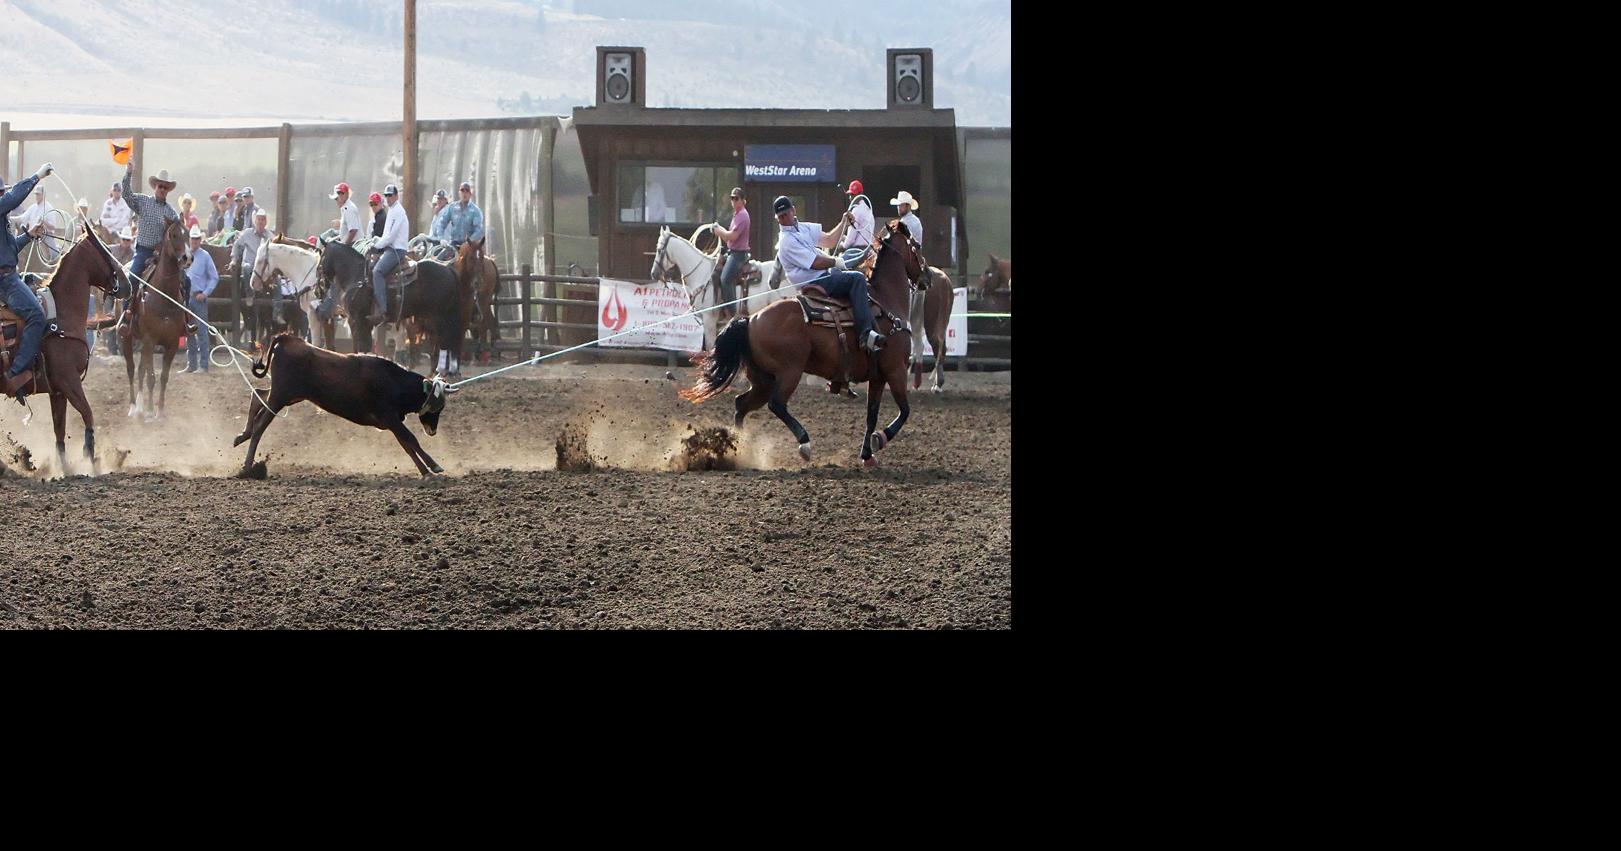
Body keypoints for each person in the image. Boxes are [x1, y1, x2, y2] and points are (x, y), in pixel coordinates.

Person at [770, 194, 881, 353]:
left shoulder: (804, 227)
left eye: (786, 214)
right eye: (780, 217)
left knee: (849, 275)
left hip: (824, 274)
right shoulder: (785, 242)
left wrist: (843, 222)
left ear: (793, 211)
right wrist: (835, 261)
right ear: (777, 219)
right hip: (815, 280)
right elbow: (815, 263)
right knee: (857, 279)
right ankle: (865, 333)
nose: (784, 219)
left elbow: (829, 240)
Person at [0, 162, 54, 399]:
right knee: (37, 315)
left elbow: (9, 249)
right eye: (2, 193)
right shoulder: (2, 207)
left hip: (9, 275)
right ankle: (16, 372)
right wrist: (36, 177)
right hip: (5, 281)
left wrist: (29, 236)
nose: (4, 196)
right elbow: (14, 198)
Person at [369, 184, 409, 324]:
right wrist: (376, 241)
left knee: (377, 271)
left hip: (396, 250)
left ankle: (383, 310)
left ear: (397, 196)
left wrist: (377, 244)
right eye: (386, 195)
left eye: (390, 195)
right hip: (390, 247)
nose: (388, 198)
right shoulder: (392, 210)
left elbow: (391, 236)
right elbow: (386, 235)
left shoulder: (398, 211)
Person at [709, 187, 750, 322]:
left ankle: (733, 314)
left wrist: (718, 231)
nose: (733, 201)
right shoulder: (737, 215)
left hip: (738, 255)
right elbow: (728, 235)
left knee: (725, 279)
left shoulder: (743, 215)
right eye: (732, 198)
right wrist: (719, 229)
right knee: (716, 271)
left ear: (743, 201)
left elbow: (732, 236)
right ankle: (720, 306)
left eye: (736, 198)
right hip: (732, 252)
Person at [182, 225, 217, 374]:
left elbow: (214, 277)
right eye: (193, 238)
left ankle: (203, 365)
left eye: (197, 239)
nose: (194, 241)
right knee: (189, 331)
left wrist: (206, 292)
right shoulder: (185, 254)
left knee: (202, 332)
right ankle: (192, 364)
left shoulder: (205, 256)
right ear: (189, 239)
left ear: (200, 240)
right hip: (186, 298)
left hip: (198, 296)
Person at [8, 186, 56, 262]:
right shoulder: (33, 207)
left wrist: (43, 221)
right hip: (33, 236)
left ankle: (51, 264)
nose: (37, 196)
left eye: (38, 194)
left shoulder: (49, 208)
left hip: (45, 236)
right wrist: (9, 219)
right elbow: (22, 218)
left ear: (43, 195)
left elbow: (53, 227)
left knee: (53, 256)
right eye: (36, 194)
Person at [840, 180, 876, 252]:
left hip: (857, 250)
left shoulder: (856, 210)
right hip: (868, 249)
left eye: (853, 195)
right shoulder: (867, 209)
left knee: (837, 263)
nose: (851, 197)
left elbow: (851, 238)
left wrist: (842, 247)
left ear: (861, 194)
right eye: (850, 195)